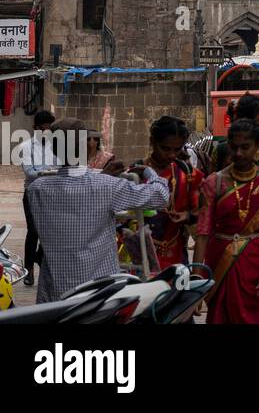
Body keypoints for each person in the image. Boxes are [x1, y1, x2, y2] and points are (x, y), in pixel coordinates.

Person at [27, 118, 172, 303]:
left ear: (54, 148)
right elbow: (161, 196)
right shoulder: (107, 186)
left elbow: (75, 199)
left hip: (55, 293)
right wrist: (149, 173)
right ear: (87, 147)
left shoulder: (37, 189)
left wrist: (103, 177)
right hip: (99, 295)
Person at [194, 119, 259, 324]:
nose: (238, 153)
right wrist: (196, 281)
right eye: (234, 147)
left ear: (257, 147)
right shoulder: (213, 183)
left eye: (245, 147)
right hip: (222, 265)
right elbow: (202, 233)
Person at [135, 115, 203, 269]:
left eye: (177, 149)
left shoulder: (189, 175)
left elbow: (204, 216)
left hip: (176, 256)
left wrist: (189, 216)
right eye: (165, 148)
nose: (172, 155)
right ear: (153, 142)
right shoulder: (136, 174)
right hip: (140, 257)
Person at [18, 109, 57, 286]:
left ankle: (39, 259)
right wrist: (47, 172)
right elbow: (29, 171)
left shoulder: (57, 146)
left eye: (49, 129)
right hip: (33, 193)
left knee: (48, 231)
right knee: (33, 231)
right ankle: (29, 271)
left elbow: (60, 167)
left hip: (51, 193)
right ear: (36, 128)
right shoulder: (27, 146)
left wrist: (49, 173)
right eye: (43, 128)